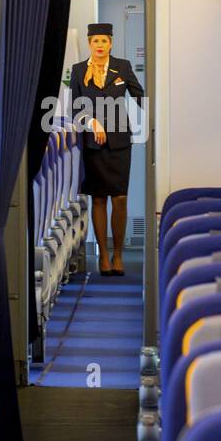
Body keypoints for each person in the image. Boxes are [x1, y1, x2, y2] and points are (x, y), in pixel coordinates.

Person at [68, 23, 145, 276]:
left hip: (120, 140)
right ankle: (103, 255)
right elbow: (75, 109)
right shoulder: (79, 71)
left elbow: (139, 94)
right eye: (95, 41)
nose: (100, 45)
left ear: (110, 43)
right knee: (99, 197)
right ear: (89, 43)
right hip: (93, 142)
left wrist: (158, 114)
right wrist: (91, 122)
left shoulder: (122, 67)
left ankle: (118, 254)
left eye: (104, 41)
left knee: (120, 198)